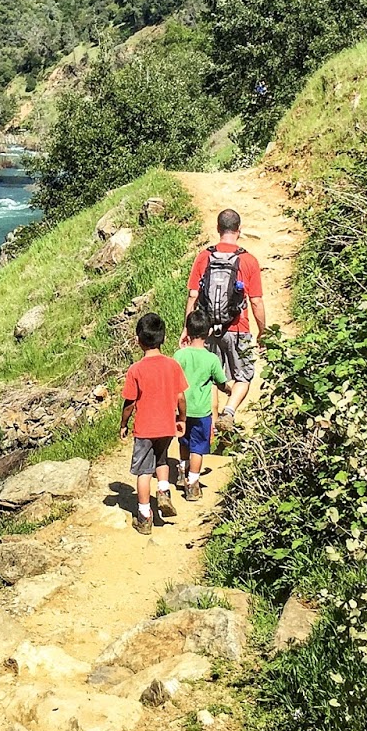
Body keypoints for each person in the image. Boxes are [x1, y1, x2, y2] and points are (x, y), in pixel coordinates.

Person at [186, 208, 265, 426]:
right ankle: (228, 412)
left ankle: (209, 425)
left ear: (218, 229)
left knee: (209, 379)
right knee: (243, 377)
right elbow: (256, 301)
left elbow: (193, 295)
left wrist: (188, 328)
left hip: (207, 328)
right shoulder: (249, 260)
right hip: (238, 328)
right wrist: (262, 331)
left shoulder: (204, 257)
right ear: (239, 230)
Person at [119, 311, 188, 535]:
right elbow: (180, 397)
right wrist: (181, 418)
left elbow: (129, 403)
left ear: (138, 340)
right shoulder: (172, 365)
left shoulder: (135, 370)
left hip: (145, 429)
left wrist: (123, 424)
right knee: (162, 460)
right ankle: (164, 491)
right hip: (166, 426)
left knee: (143, 472)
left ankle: (144, 515)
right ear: (164, 338)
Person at [173, 309, 228, 501]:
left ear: (187, 331)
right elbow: (221, 382)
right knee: (198, 448)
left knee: (184, 442)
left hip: (181, 411)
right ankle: (193, 483)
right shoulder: (212, 359)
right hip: (202, 413)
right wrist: (228, 390)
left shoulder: (179, 356)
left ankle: (181, 470)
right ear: (209, 332)